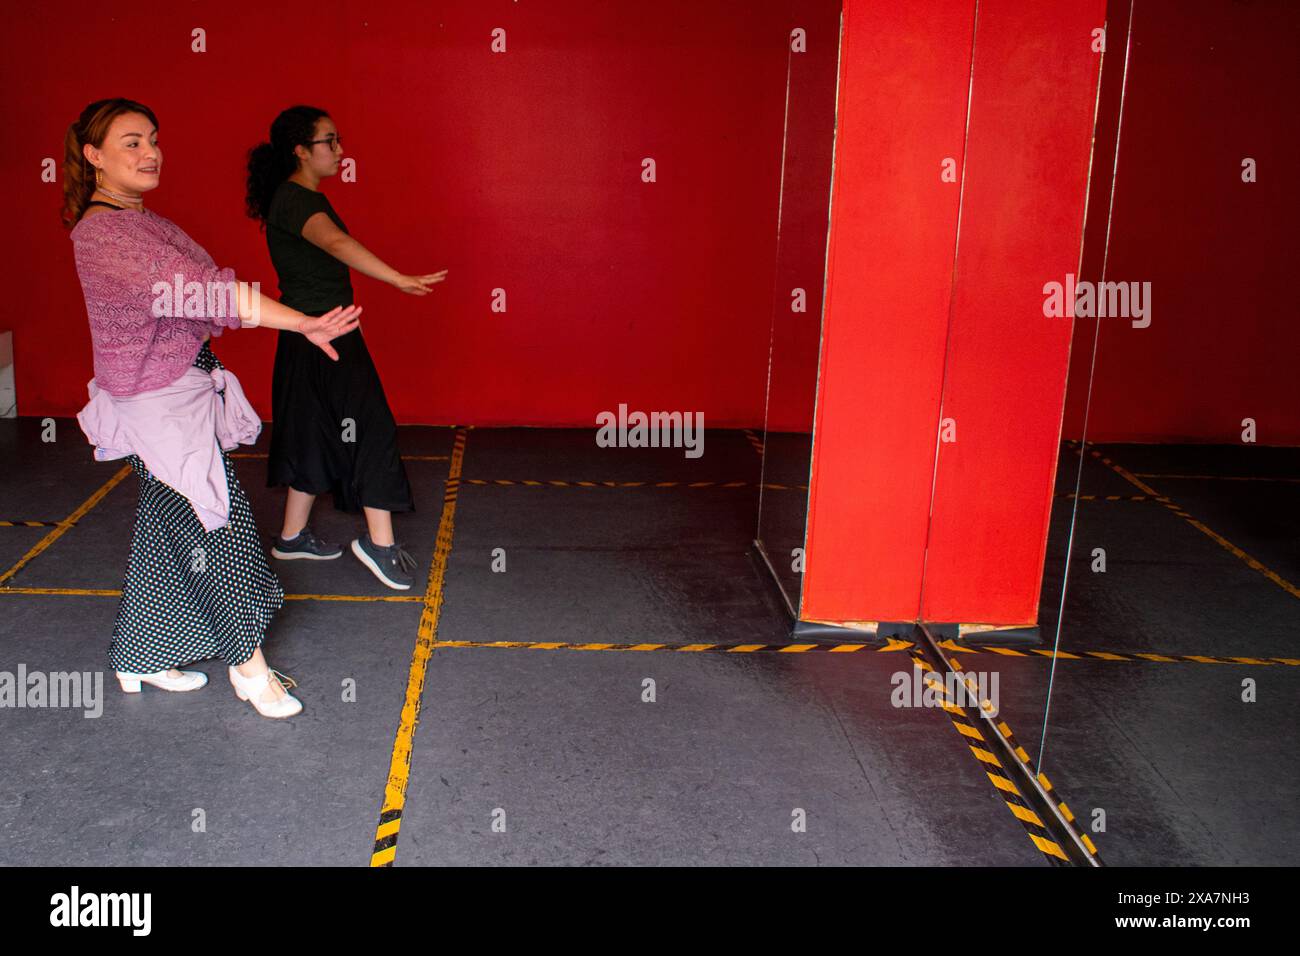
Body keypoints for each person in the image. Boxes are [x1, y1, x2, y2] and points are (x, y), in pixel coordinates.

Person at [64, 98, 361, 718]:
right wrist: (303, 323)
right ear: (93, 158)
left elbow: (198, 297)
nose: (150, 153)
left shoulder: (142, 222)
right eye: (130, 144)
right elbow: (206, 292)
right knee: (215, 525)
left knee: (166, 524)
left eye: (153, 139)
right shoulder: (107, 233)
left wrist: (279, 319)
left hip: (177, 392)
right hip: (158, 406)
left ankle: (139, 656)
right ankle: (249, 669)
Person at [245, 105, 446, 590]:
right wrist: (397, 278)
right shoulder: (295, 200)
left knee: (313, 432)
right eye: (328, 142)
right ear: (300, 150)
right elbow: (335, 244)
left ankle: (291, 537)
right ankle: (377, 544)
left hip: (310, 336)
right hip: (325, 333)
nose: (339, 151)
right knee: (371, 427)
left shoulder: (294, 196)